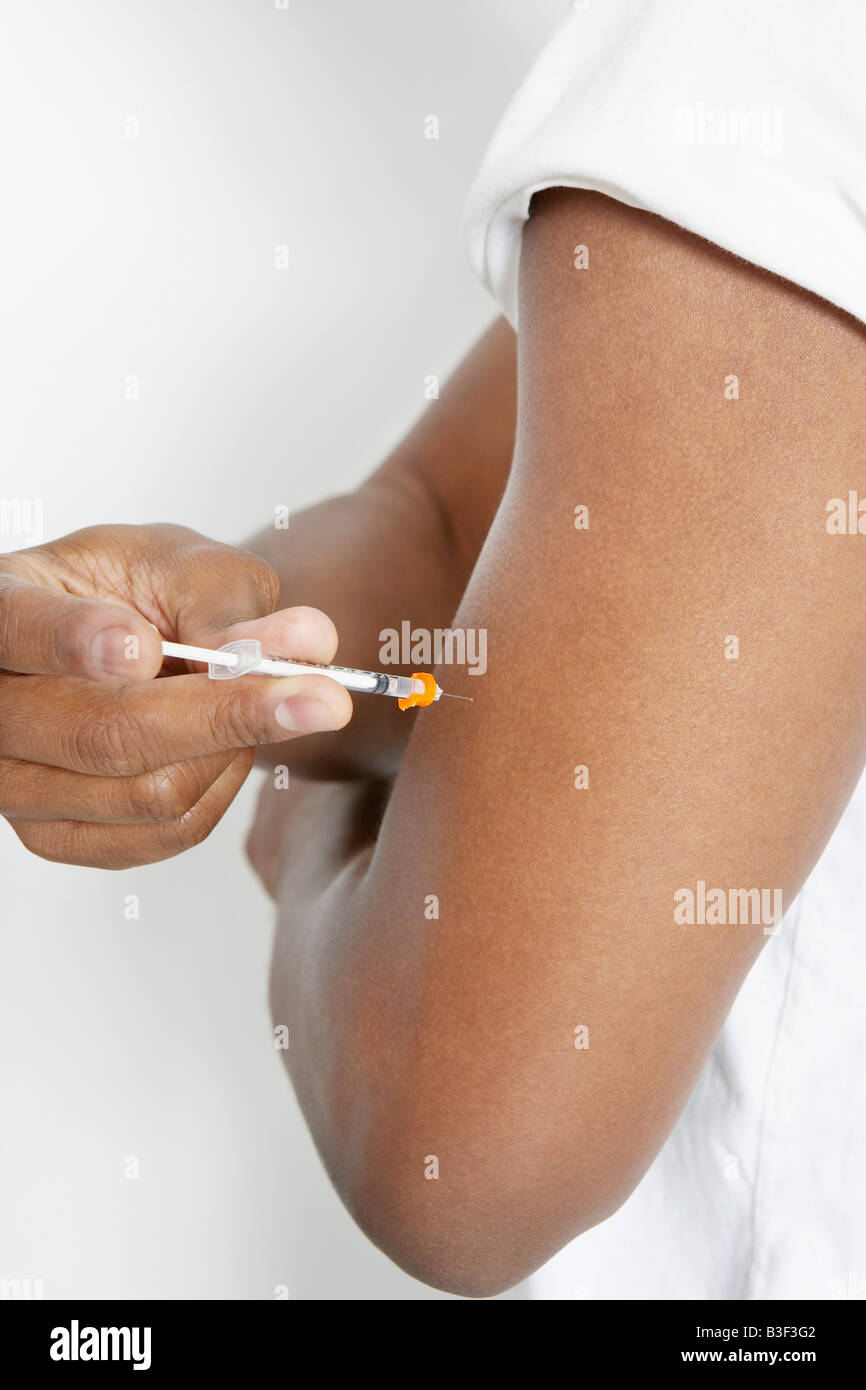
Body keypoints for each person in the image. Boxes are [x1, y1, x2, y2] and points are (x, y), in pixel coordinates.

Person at [3, 2, 866, 1300]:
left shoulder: (762, 58)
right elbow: (455, 523)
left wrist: (298, 821)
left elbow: (461, 1149)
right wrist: (222, 639)